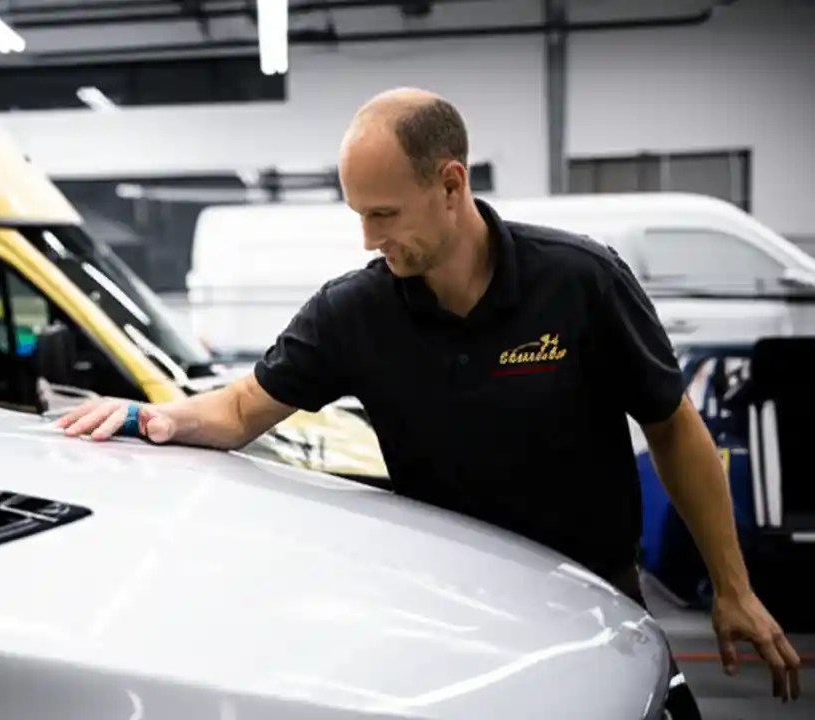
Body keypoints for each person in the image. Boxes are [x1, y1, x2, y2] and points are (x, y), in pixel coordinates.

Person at [53, 87, 802, 713]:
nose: (367, 238)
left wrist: (732, 587)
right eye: (357, 214)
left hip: (601, 607)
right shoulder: (354, 313)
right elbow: (246, 407)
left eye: (383, 214)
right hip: (452, 623)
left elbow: (673, 428)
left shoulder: (581, 282)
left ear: (451, 184)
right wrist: (154, 419)